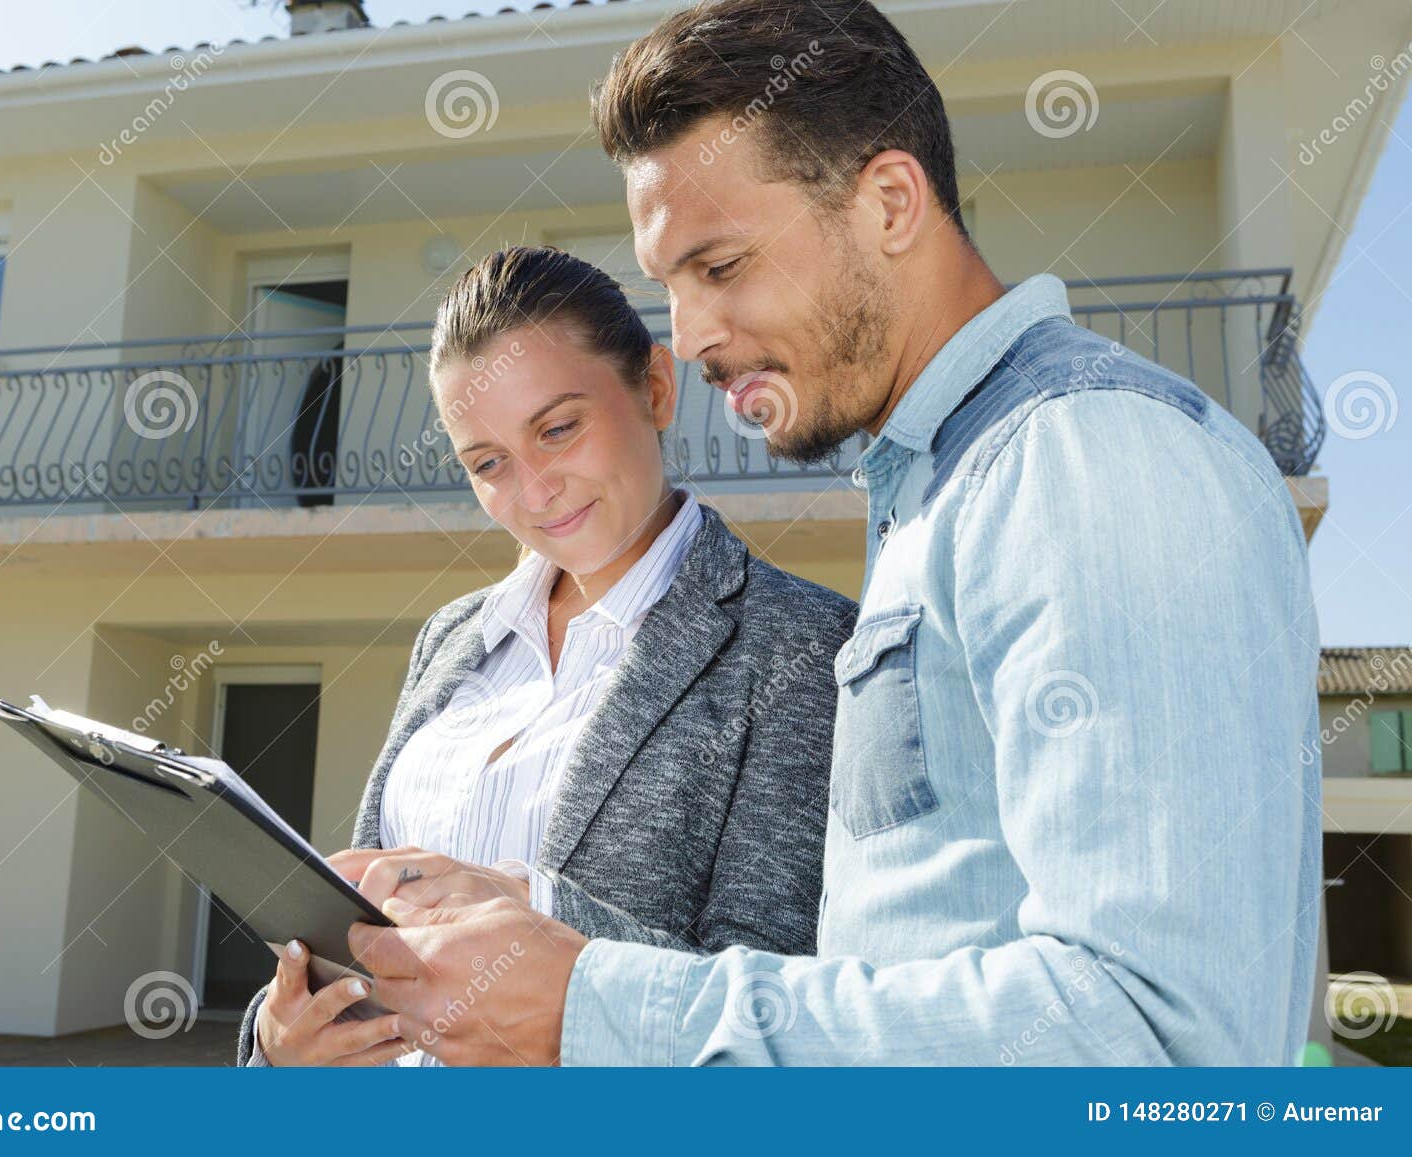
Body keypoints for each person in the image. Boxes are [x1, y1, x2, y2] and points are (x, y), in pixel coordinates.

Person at [344, 0, 1322, 1067]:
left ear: (890, 202)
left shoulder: (1083, 457)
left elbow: (1160, 1035)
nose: (691, 337)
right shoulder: (935, 496)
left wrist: (590, 1002)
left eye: (720, 267)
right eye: (670, 287)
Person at [237, 244, 857, 1066]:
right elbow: (356, 939)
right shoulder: (452, 638)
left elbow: (783, 1006)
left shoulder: (802, 643)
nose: (534, 490)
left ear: (656, 388)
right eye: (488, 463)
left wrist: (536, 908)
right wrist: (281, 1040)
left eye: (558, 429)